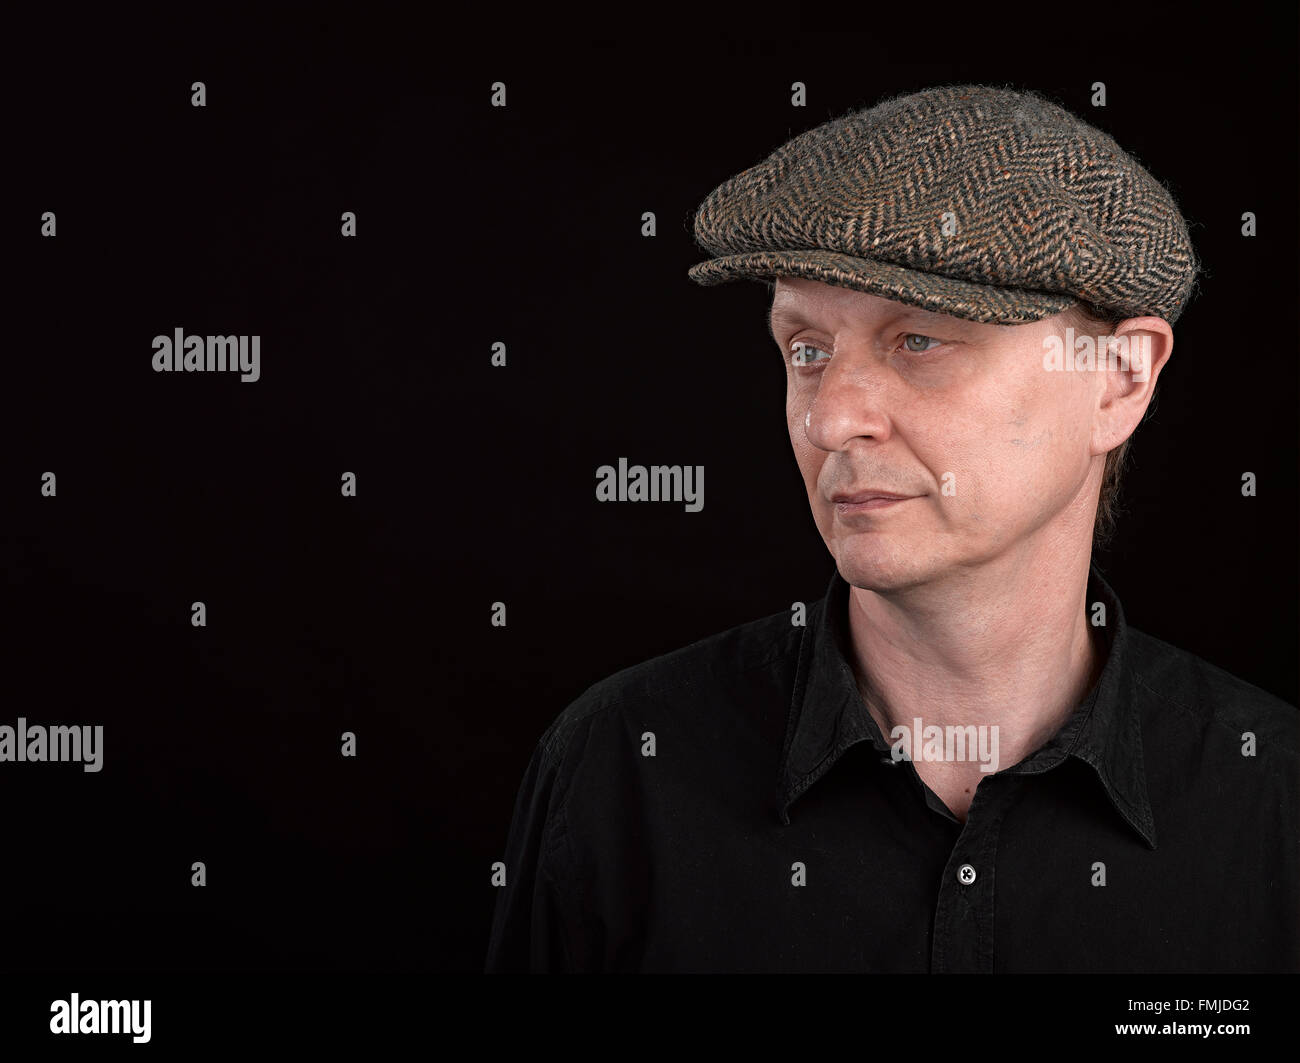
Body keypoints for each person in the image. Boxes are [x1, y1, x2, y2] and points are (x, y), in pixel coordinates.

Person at [484, 84, 1298, 972]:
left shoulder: (1274, 801)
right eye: (807, 350)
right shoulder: (617, 774)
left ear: (1118, 380)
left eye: (918, 341)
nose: (831, 420)